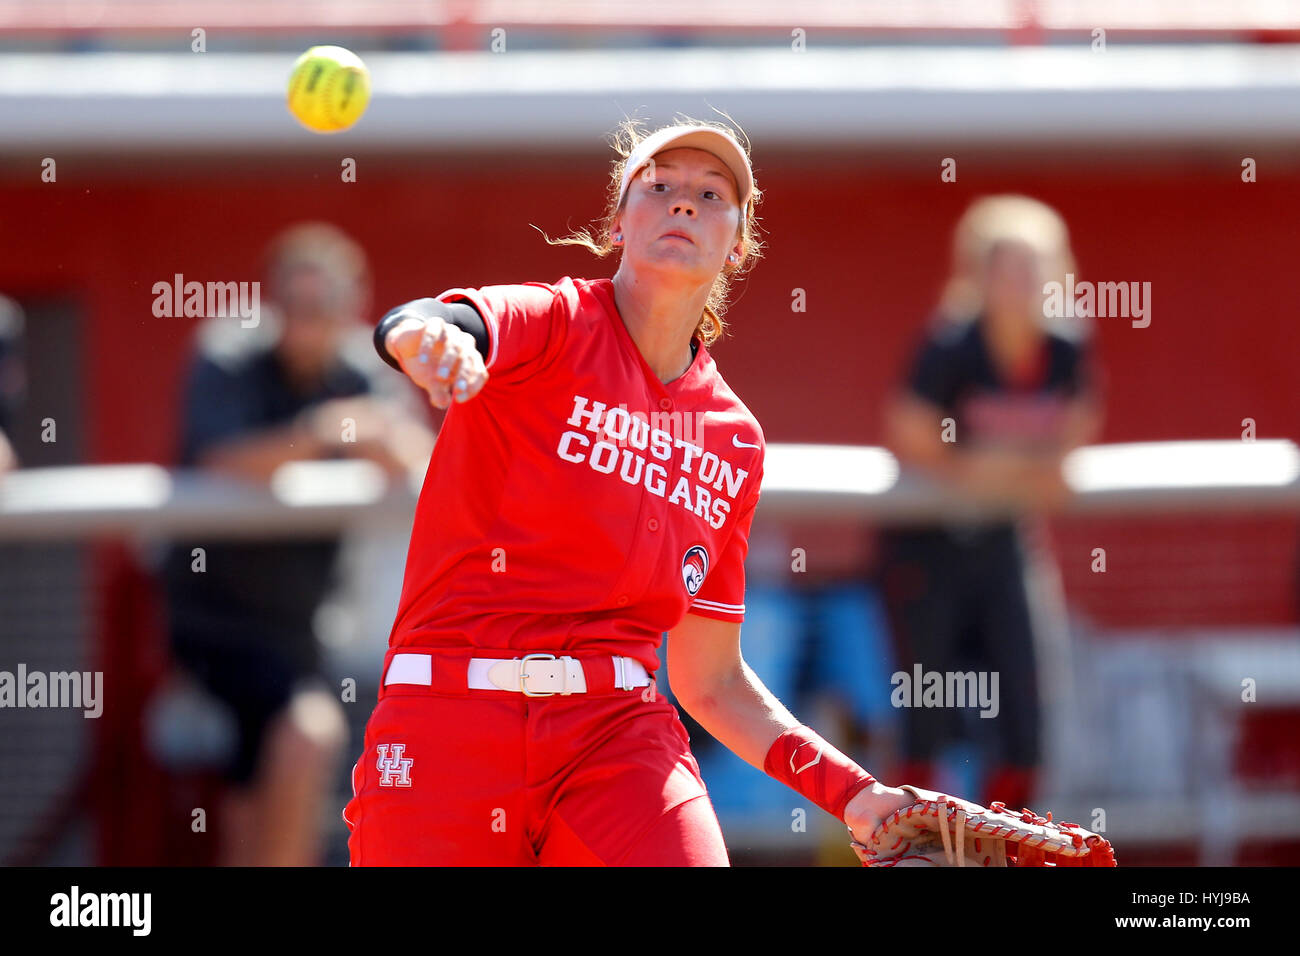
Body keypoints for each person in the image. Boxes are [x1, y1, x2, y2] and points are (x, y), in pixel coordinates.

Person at [344, 118, 919, 866]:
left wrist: (854, 794)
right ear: (620, 222)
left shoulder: (733, 436)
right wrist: (425, 343)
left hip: (615, 734)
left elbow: (711, 680)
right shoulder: (554, 322)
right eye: (661, 186)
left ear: (738, 244)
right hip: (451, 714)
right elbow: (429, 320)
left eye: (712, 194)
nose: (684, 203)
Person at [160, 222, 434, 866]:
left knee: (288, 756)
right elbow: (221, 458)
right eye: (296, 309)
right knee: (293, 744)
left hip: (300, 631)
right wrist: (326, 429)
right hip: (208, 625)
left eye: (324, 310)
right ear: (273, 303)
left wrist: (380, 438)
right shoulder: (229, 353)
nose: (308, 326)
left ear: (350, 307)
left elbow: (420, 462)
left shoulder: (361, 369)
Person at [878, 195, 1103, 812]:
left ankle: (1011, 844)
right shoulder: (952, 345)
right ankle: (922, 844)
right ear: (977, 276)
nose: (1020, 284)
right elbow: (912, 432)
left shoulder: (1065, 348)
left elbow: (1075, 437)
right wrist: (990, 469)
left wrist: (1001, 472)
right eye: (1005, 269)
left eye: (1034, 268)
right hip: (927, 545)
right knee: (927, 715)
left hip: (1004, 540)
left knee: (1024, 718)